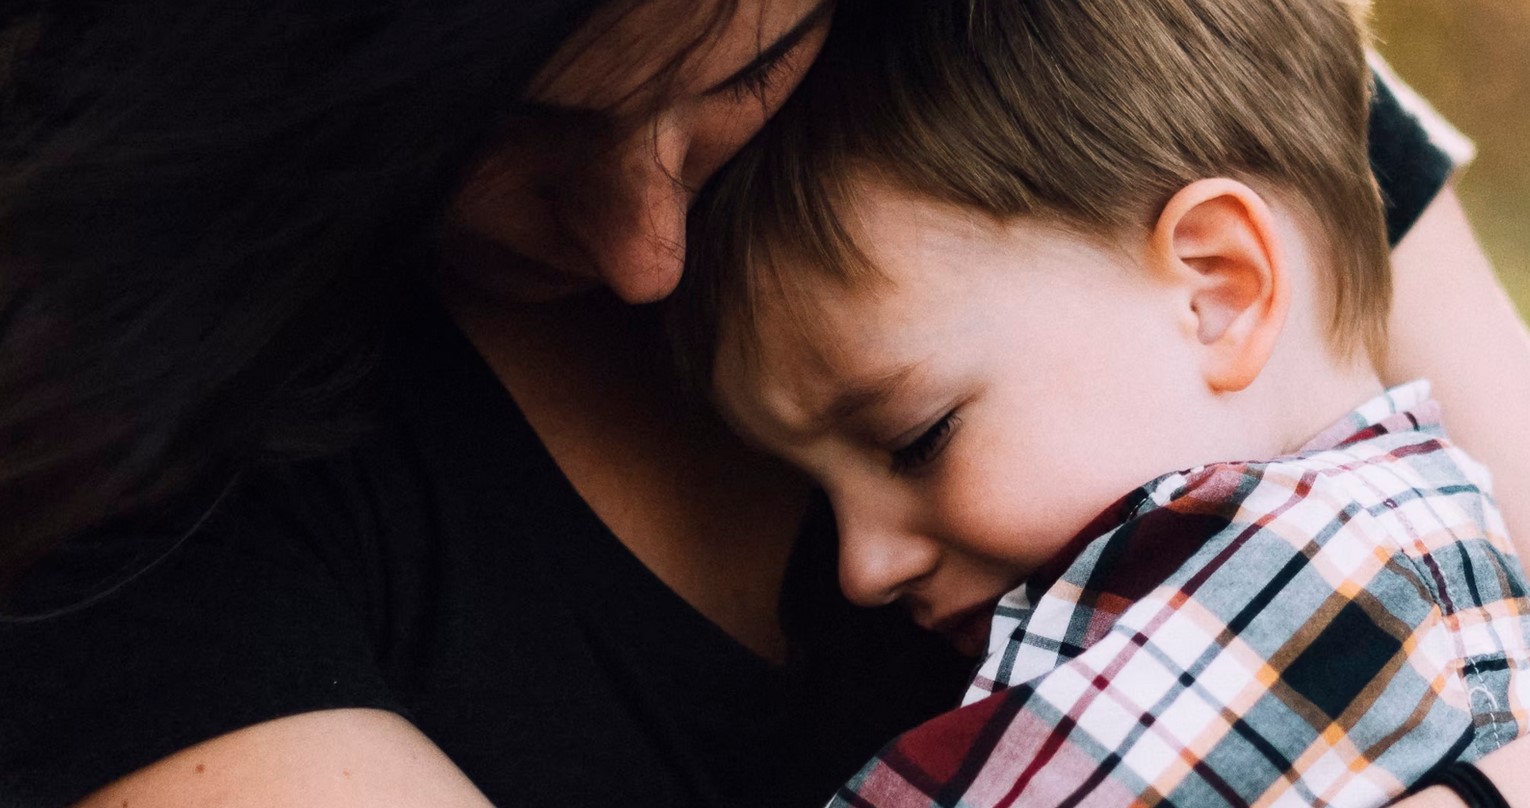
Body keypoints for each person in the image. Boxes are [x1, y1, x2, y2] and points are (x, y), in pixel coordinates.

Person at [0, 0, 1526, 806]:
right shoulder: (134, 492)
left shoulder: (1112, 96)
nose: (645, 253)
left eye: (744, 65)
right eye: (497, 132)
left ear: (1215, 277)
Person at [674, 0, 1530, 804]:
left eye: (917, 440)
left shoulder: (1294, 588)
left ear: (1217, 291)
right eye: (818, 491)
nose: (861, 569)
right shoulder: (1406, 532)